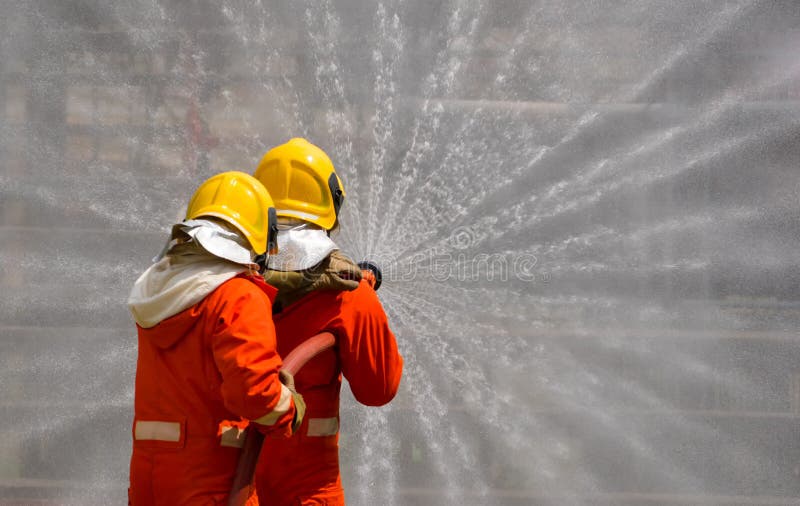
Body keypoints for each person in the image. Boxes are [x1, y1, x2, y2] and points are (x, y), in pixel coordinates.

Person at [127, 171, 305, 506]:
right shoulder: (238, 296)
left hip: (147, 482)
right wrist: (289, 408)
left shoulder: (160, 290)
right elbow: (255, 394)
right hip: (212, 484)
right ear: (256, 238)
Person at [251, 138, 404, 506]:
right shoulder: (348, 294)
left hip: (229, 482)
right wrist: (363, 305)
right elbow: (377, 390)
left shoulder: (227, 282)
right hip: (308, 492)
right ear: (330, 206)